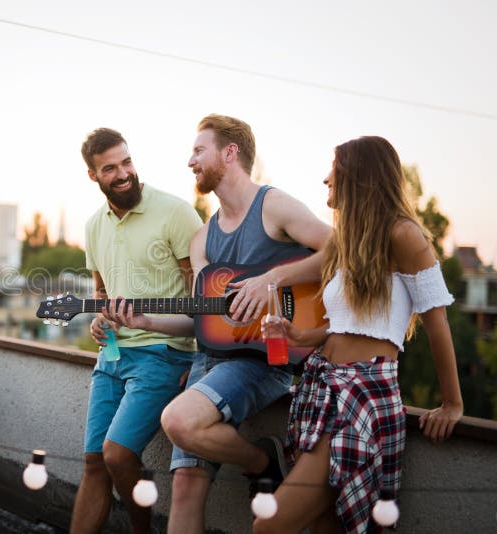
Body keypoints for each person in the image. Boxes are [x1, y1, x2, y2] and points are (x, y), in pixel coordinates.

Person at [105, 114, 331, 533]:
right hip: (209, 364)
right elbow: (204, 321)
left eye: (198, 150)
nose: (190, 161)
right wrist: (146, 320)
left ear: (229, 153)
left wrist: (272, 279)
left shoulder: (273, 206)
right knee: (184, 492)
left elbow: (340, 249)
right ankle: (261, 461)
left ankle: (261, 461)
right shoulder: (202, 239)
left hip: (264, 361)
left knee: (178, 421)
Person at [253, 136, 463, 534]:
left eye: (335, 168)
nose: (326, 178)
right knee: (325, 527)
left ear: (359, 175)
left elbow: (437, 322)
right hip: (323, 388)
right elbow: (345, 325)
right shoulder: (350, 242)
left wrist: (452, 403)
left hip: (362, 396)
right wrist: (299, 335)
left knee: (269, 525)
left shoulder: (404, 234)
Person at [70, 127, 203, 534]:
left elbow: (204, 301)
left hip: (164, 354)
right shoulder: (93, 225)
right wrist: (100, 317)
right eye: (110, 168)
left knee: (116, 454)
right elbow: (102, 293)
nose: (123, 173)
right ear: (93, 175)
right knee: (94, 461)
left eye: (126, 162)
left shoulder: (176, 213)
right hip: (111, 355)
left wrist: (201, 362)